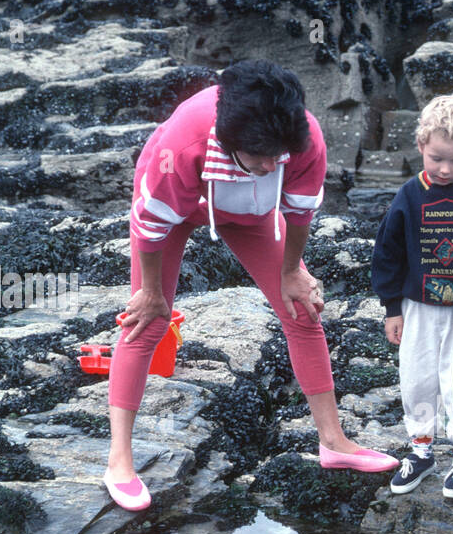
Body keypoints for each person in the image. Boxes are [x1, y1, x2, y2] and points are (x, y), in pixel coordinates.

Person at [104, 59, 397, 511]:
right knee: (148, 321)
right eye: (258, 157)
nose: (268, 166)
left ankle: (334, 442)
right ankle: (119, 460)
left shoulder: (303, 138)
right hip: (178, 206)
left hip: (249, 214)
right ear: (230, 140)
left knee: (301, 309)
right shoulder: (184, 143)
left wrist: (292, 270)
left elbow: (299, 214)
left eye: (275, 158)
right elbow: (150, 222)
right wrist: (150, 292)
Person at [370, 92, 453, 498]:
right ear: (421, 146)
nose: (445, 169)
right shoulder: (409, 196)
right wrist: (393, 308)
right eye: (437, 158)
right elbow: (387, 253)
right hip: (418, 307)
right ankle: (422, 449)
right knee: (418, 378)